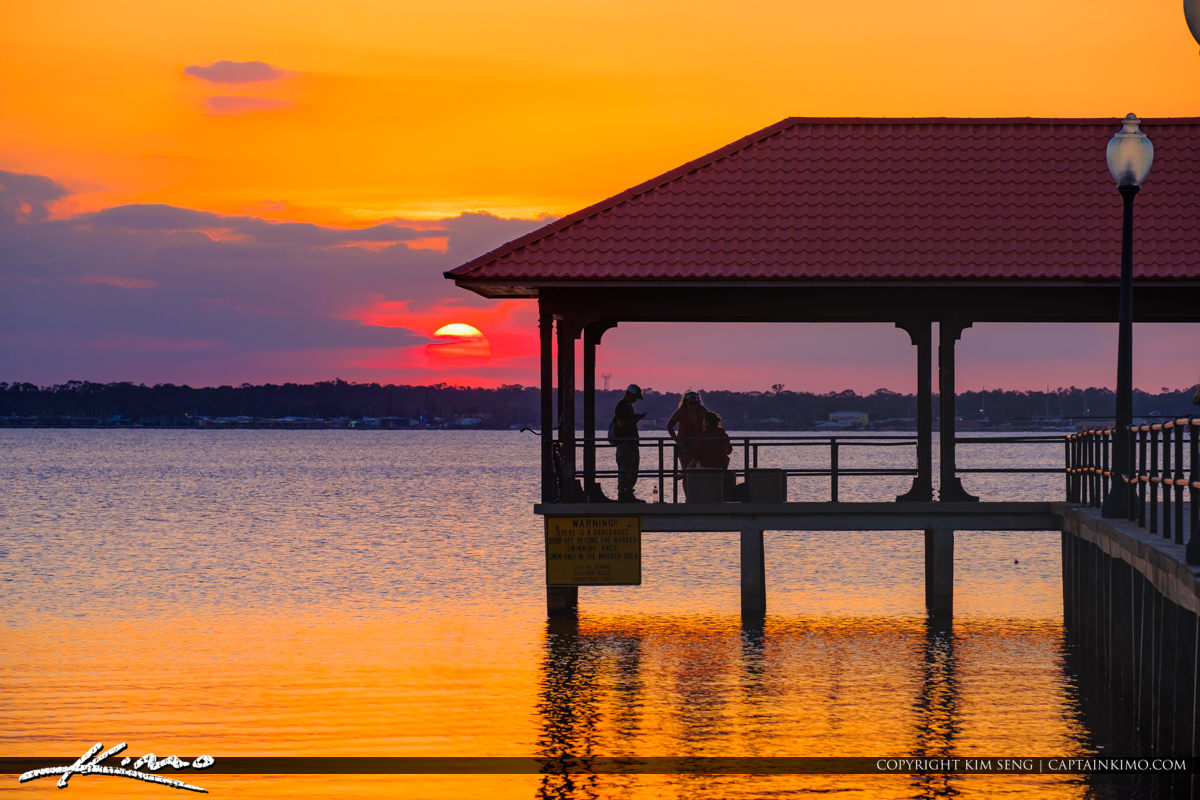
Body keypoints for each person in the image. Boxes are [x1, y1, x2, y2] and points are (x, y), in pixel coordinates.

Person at [610, 384, 646, 502]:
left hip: (631, 444)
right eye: (635, 397)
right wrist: (635, 419)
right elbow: (621, 423)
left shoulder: (628, 406)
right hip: (625, 444)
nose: (635, 400)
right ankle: (623, 495)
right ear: (629, 395)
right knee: (625, 470)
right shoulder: (621, 406)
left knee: (632, 470)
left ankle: (628, 494)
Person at [666, 391, 707, 471]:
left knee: (698, 471)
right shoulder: (681, 412)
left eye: (695, 403)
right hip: (684, 446)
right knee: (686, 470)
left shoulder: (702, 411)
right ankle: (686, 483)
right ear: (685, 403)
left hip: (699, 445)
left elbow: (710, 424)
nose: (693, 406)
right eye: (690, 403)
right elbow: (669, 426)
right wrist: (676, 440)